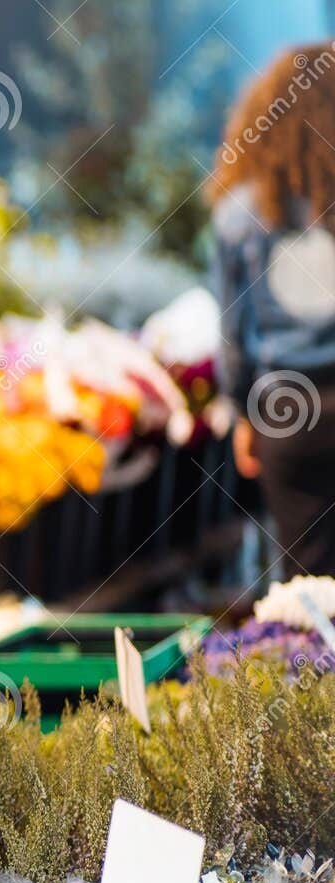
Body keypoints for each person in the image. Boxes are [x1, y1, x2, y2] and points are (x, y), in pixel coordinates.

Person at [213, 44, 335, 577]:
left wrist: (243, 414)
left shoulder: (241, 213)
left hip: (287, 410)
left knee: (310, 585)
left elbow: (234, 332)